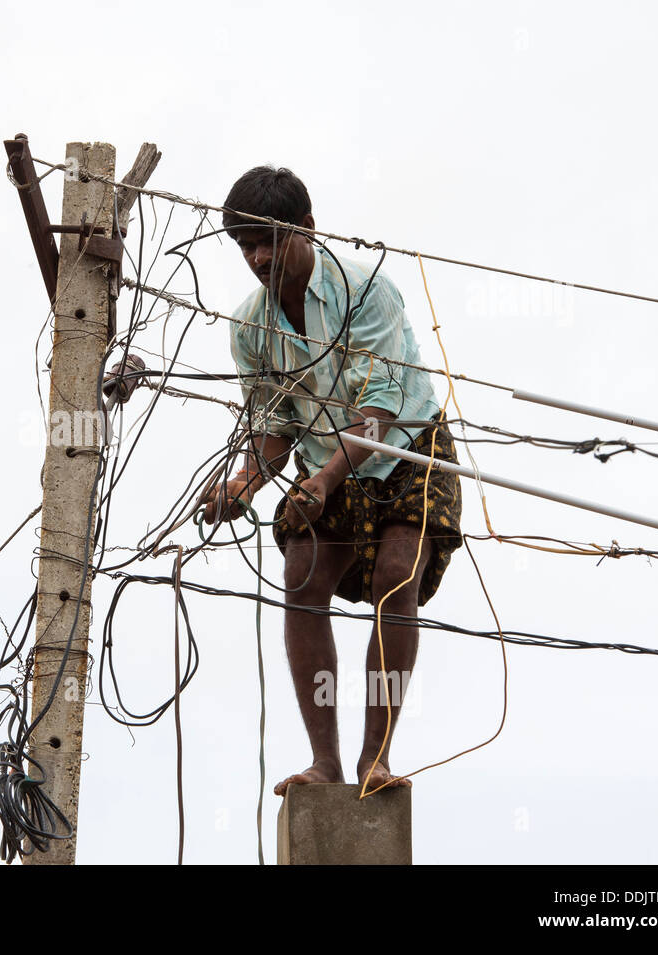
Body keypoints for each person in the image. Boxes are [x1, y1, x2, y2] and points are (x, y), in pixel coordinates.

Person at [198, 165, 464, 794]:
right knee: (300, 578)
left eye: (270, 240)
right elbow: (273, 425)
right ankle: (326, 764)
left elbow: (380, 406)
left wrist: (323, 479)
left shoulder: (368, 290)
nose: (259, 257)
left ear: (308, 230)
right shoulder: (249, 329)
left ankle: (377, 762)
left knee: (394, 575)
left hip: (404, 447)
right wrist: (245, 483)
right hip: (325, 462)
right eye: (245, 246)